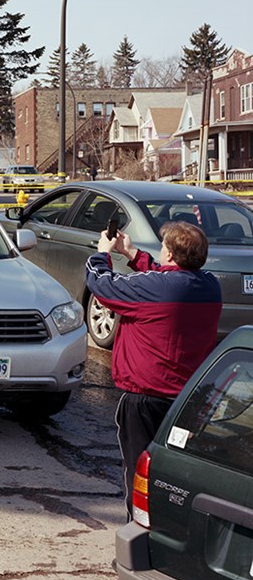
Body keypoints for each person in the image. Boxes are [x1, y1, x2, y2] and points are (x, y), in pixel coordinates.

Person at [86, 220, 222, 517]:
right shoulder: (210, 286)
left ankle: (139, 534)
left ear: (170, 255)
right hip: (187, 401)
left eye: (163, 247)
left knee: (139, 473)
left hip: (145, 397)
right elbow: (167, 279)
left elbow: (101, 284)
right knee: (176, 476)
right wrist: (133, 254)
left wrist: (102, 253)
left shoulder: (156, 289)